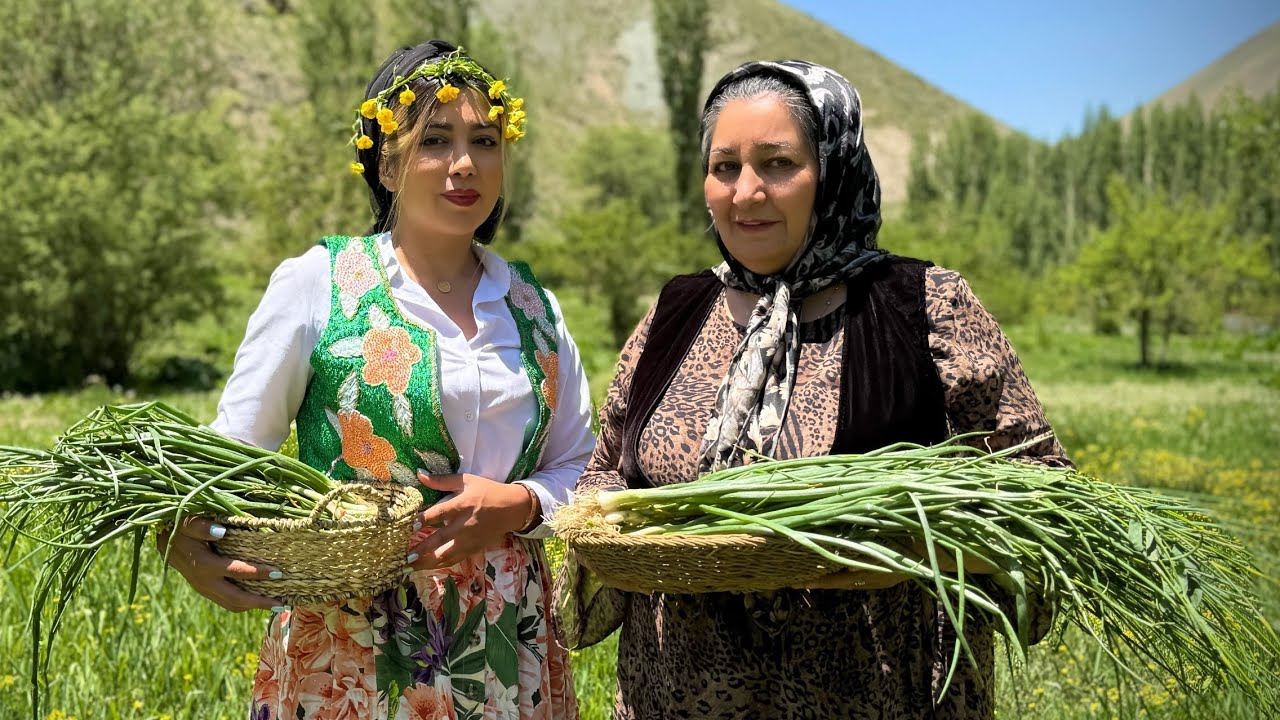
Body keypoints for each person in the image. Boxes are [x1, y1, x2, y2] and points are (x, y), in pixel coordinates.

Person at [563, 59, 1071, 719]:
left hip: (878, 693)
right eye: (725, 167)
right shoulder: (679, 310)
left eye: (778, 164)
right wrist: (611, 523)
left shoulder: (923, 306)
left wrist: (900, 549)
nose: (747, 192)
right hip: (678, 693)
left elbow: (1041, 493)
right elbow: (607, 468)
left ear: (832, 170)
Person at [160, 40, 591, 719]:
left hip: (510, 639)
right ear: (386, 164)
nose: (464, 164)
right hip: (350, 643)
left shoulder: (534, 305)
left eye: (484, 141)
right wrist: (182, 535)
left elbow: (583, 468)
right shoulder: (319, 284)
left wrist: (518, 505)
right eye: (435, 141)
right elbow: (232, 455)